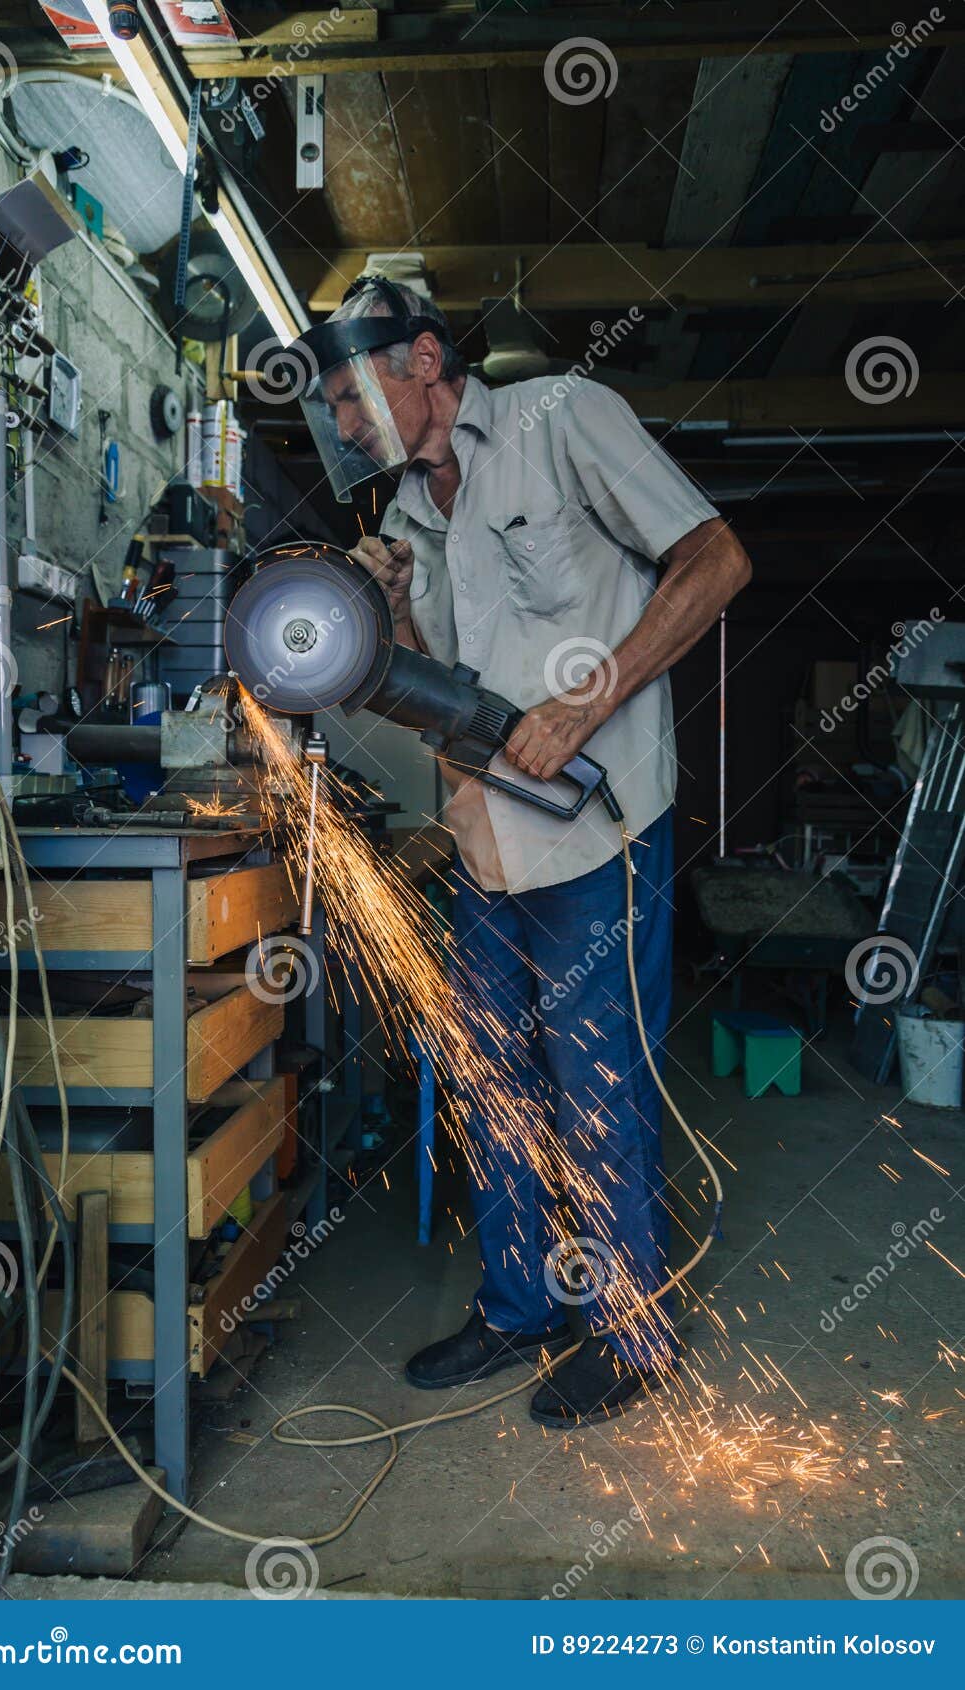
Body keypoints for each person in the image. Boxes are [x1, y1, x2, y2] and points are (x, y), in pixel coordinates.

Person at [290, 278, 752, 1423]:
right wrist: (391, 614)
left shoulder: (560, 415)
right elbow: (428, 700)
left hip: (597, 831)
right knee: (494, 1083)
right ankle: (519, 1304)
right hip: (485, 840)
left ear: (424, 359)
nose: (344, 425)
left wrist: (583, 704)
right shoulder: (402, 512)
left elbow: (715, 562)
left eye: (352, 397)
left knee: (597, 1085)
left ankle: (630, 1325)